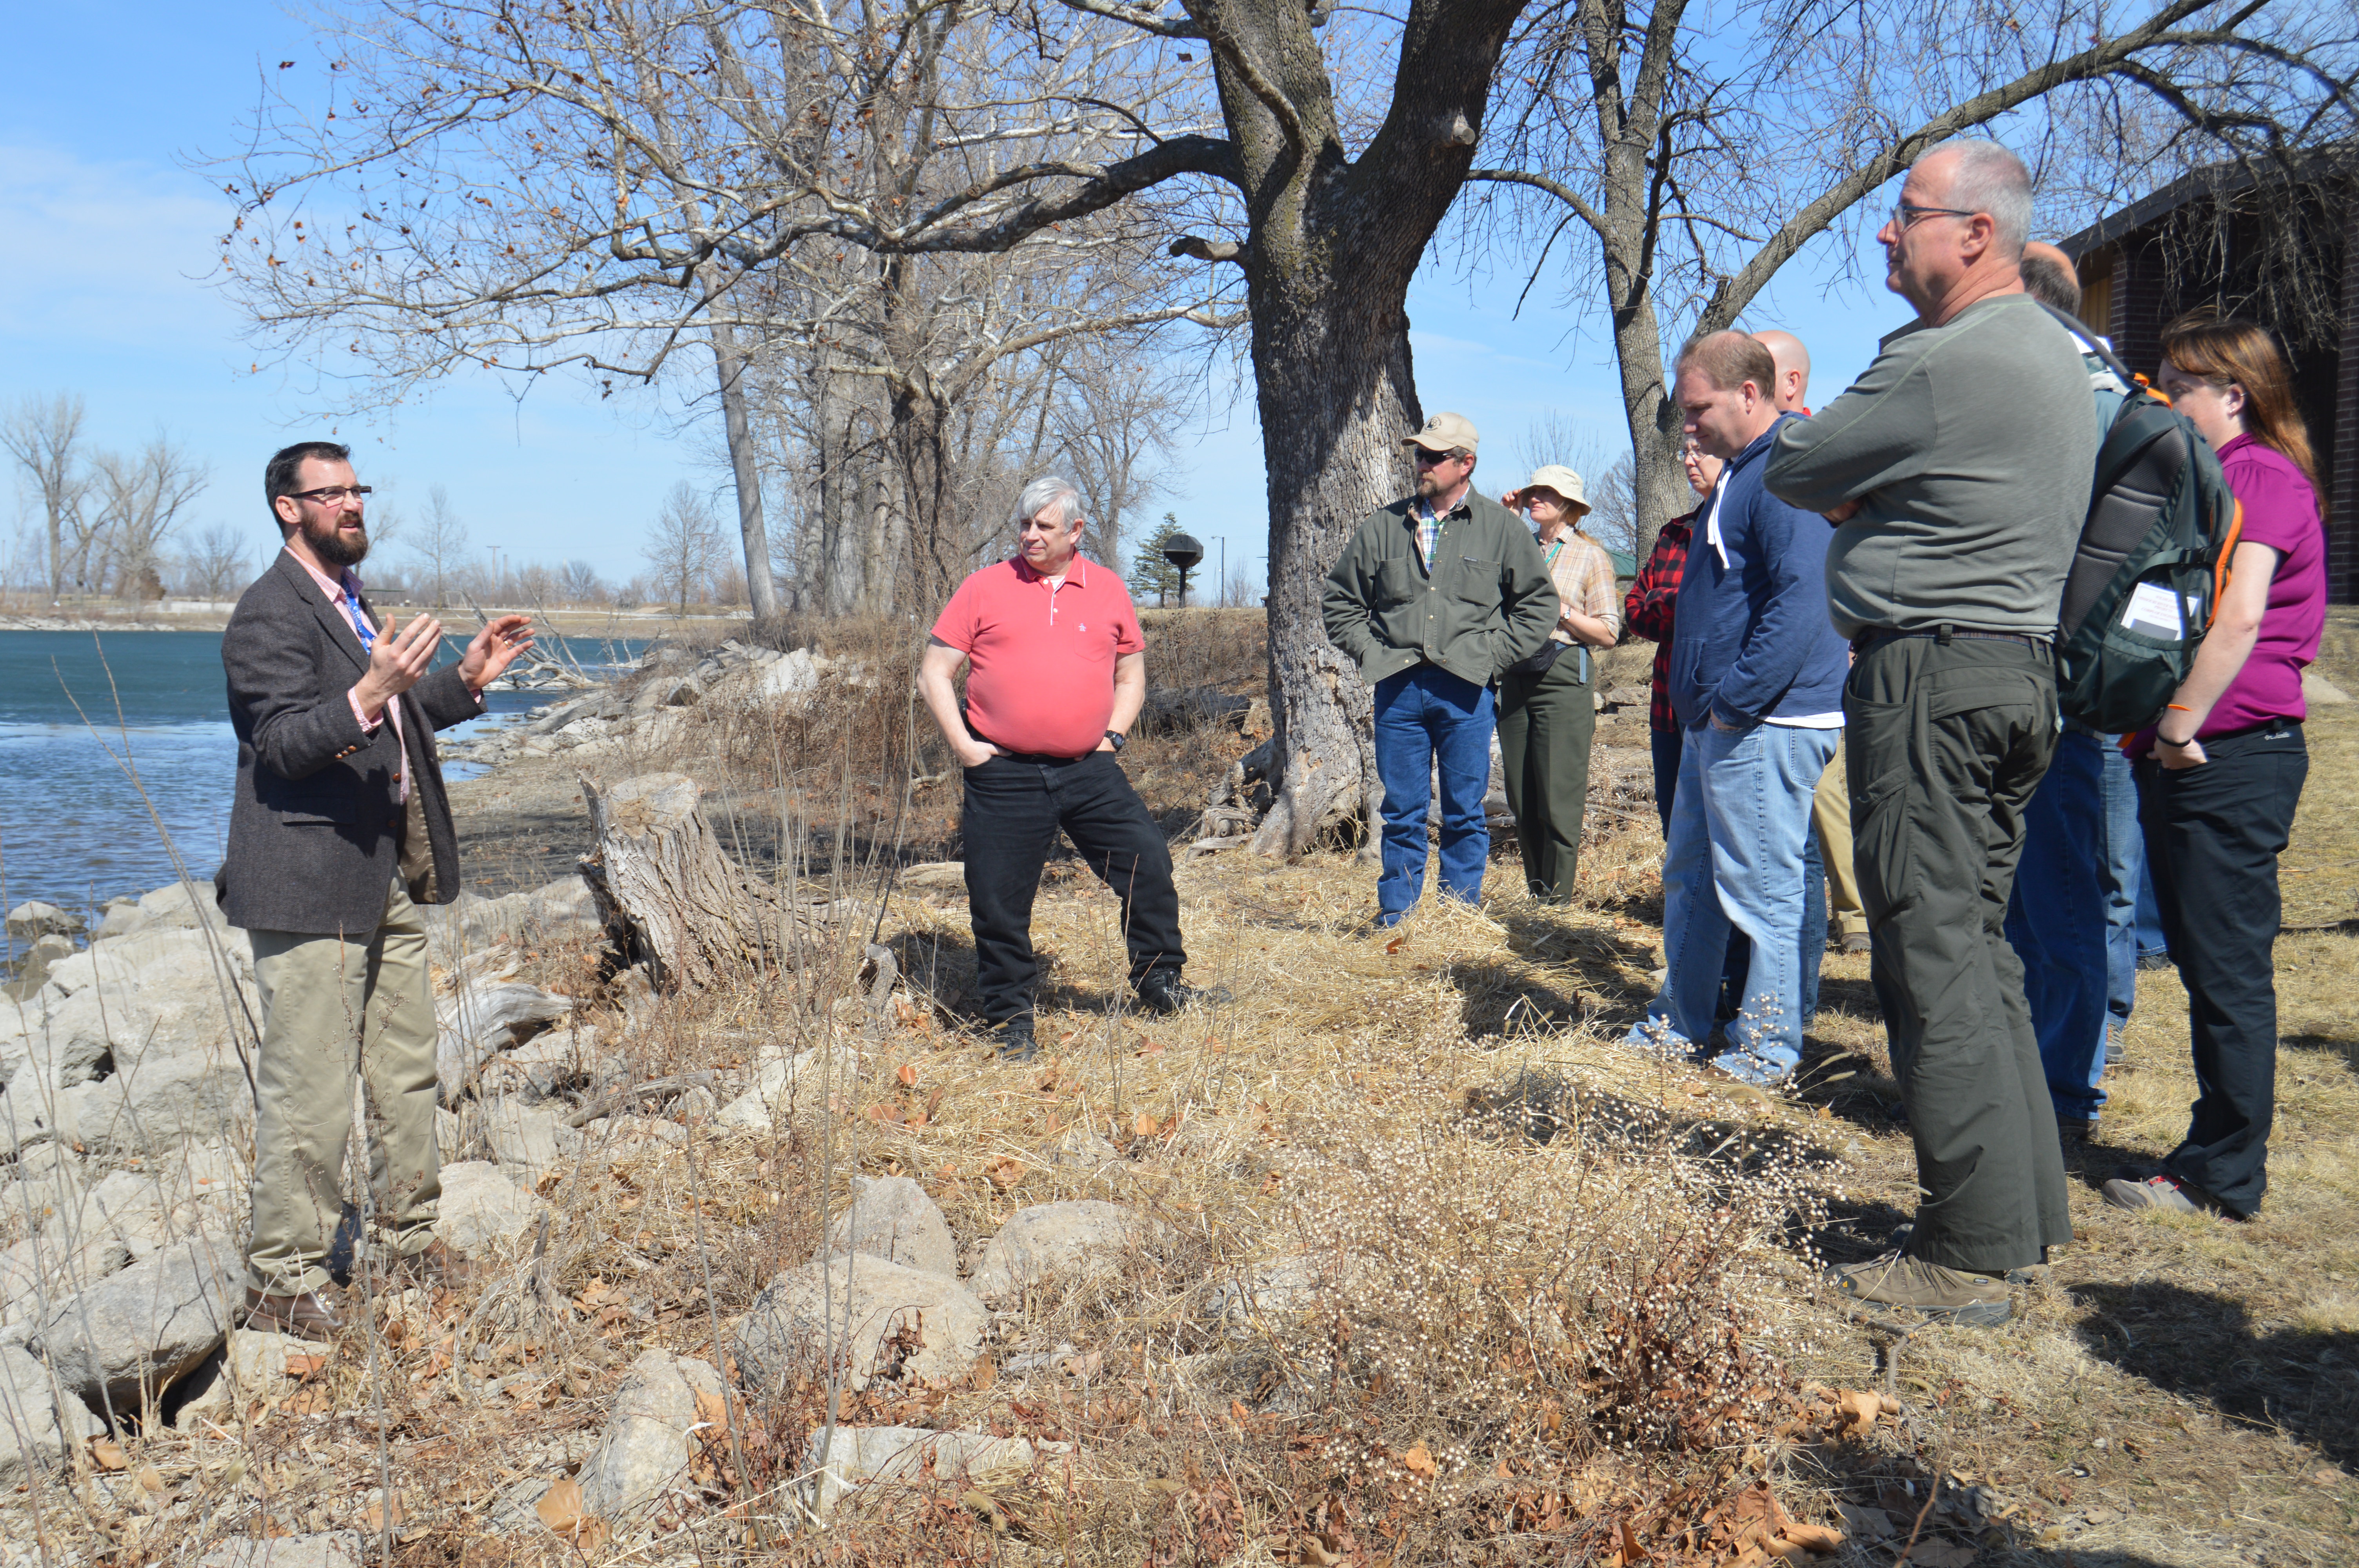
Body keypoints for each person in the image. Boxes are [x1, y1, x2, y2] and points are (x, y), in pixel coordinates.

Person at [1766, 140, 2098, 1325]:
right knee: (1980, 945)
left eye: (1902, 215)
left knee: (1927, 948)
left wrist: (1864, 485)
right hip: (2011, 672)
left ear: (1973, 233)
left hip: (1931, 675)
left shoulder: (1951, 354)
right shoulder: (2047, 352)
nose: (1882, 235)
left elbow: (1796, 460)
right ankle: (2019, 1213)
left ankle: (1963, 1252)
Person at [222, 441, 534, 1339]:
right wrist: (369, 690)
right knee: (310, 1084)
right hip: (306, 880)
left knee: (404, 1069)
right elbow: (283, 744)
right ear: (289, 507)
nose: (353, 505)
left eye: (358, 489)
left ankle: (408, 1241)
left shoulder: (351, 603)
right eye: (333, 493)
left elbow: (390, 711)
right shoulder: (265, 616)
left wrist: (462, 680)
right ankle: (281, 1279)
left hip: (383, 871)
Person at [2105, 315, 2324, 1219]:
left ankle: (2222, 1175)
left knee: (2228, 973)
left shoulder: (2259, 476)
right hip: (2188, 752)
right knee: (2207, 966)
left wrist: (2178, 724)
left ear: (2231, 395)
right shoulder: (2208, 476)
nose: (2159, 399)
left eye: (2175, 386)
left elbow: (2237, 617)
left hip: (2228, 754)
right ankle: (2212, 1150)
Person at [918, 477, 1212, 1061]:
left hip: (1089, 770)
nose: (1029, 535)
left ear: (1075, 532)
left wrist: (1114, 736)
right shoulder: (984, 588)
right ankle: (1009, 1019)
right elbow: (934, 672)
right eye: (1024, 524)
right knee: (998, 899)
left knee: (1147, 862)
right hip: (1004, 773)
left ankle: (1160, 982)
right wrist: (965, 747)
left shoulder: (1106, 590)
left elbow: (1131, 675)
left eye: (1043, 527)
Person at [1622, 332, 1849, 1085]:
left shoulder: (1786, 470)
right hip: (1716, 726)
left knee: (1764, 895)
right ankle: (1677, 1025)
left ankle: (1764, 1051)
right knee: (1693, 879)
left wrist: (1733, 704)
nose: (1687, 426)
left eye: (1698, 408)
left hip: (1762, 724)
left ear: (1749, 395)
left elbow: (1803, 601)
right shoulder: (1745, 475)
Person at [1999, 240, 2141, 1141]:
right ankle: (2040, 1074)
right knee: (2034, 899)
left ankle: (2063, 1090)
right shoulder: (2069, 390)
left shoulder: (2087, 401)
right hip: (2033, 682)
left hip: (2063, 690)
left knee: (2065, 900)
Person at [1322, 412, 1556, 926]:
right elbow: (1340, 602)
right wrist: (1372, 652)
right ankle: (1397, 919)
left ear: (1466, 463)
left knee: (1465, 812)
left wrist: (1492, 656)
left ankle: (1458, 920)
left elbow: (1539, 606)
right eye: (1419, 455)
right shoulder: (1384, 526)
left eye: (1434, 456)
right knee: (1401, 812)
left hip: (1466, 692)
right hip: (1398, 691)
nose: (1421, 464)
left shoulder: (1500, 528)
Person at [1754, 329, 1870, 957]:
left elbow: (1806, 585)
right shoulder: (1754, 460)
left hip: (1821, 669)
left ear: (1792, 384)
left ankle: (1855, 918)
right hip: (1779, 675)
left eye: (1757, 372)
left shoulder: (1815, 454)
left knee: (1828, 801)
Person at [1496, 465, 1620, 903]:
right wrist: (1507, 521)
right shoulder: (1518, 546)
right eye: (1532, 491)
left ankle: (1559, 903)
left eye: (1546, 493)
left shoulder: (1590, 555)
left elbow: (1608, 632)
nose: (1535, 498)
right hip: (1514, 674)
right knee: (1521, 794)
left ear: (1568, 504)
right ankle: (1537, 898)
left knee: (1558, 793)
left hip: (1564, 673)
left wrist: (1561, 611)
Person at [1624, 441, 1721, 836]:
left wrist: (1664, 601)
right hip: (1667, 704)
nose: (1688, 460)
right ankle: (1680, 901)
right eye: (1684, 451)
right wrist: (1686, 604)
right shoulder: (1674, 532)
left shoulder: (1740, 530)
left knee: (1722, 829)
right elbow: (1634, 611)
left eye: (1701, 450)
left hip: (1722, 706)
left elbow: (1725, 612)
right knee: (1675, 822)